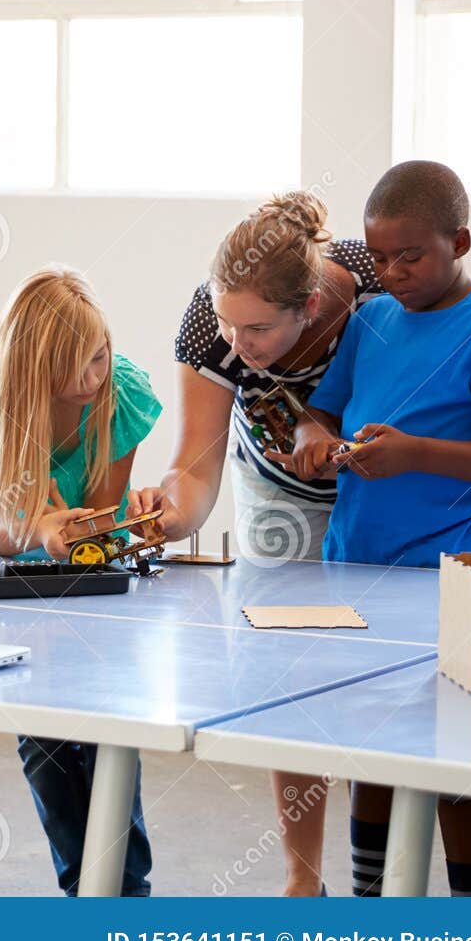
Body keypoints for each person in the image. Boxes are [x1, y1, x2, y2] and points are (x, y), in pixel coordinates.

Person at [287, 160, 471, 898]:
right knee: (372, 751)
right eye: (378, 258)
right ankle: (372, 908)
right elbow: (325, 409)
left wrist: (414, 453)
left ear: (459, 240)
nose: (392, 272)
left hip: (454, 581)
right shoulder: (370, 318)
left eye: (411, 256)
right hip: (357, 570)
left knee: (459, 765)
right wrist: (314, 433)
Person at [126, 190, 384, 895]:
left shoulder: (367, 279)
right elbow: (193, 469)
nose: (237, 344)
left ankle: (377, 874)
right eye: (227, 322)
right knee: (291, 673)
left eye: (258, 330)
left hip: (377, 486)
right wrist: (164, 515)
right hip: (275, 491)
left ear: (309, 306)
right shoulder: (210, 329)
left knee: (381, 671)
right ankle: (304, 879)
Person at [0, 266, 161, 896]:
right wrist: (40, 528)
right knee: (43, 741)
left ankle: (124, 892)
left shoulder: (118, 391)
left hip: (84, 587)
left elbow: (99, 519)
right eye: (81, 366)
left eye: (102, 355)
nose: (97, 376)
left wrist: (111, 527)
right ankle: (84, 891)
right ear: (37, 369)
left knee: (104, 733)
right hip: (2, 579)